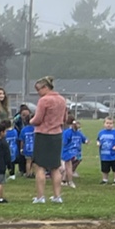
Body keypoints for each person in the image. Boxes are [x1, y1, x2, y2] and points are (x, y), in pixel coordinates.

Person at [29, 77, 67, 205]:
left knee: (40, 166)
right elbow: (65, 117)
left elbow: (38, 119)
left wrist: (30, 121)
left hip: (43, 135)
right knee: (55, 167)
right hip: (57, 135)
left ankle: (40, 197)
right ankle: (57, 196)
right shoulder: (62, 99)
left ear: (45, 87)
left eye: (38, 89)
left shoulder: (44, 100)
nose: (38, 92)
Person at [97, 119, 115, 184]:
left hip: (114, 155)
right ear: (104, 124)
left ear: (113, 124)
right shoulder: (101, 132)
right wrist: (98, 143)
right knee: (105, 169)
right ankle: (105, 180)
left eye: (110, 123)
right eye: (107, 123)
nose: (109, 125)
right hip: (104, 155)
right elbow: (98, 140)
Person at [60, 115, 86, 188]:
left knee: (67, 167)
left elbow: (83, 138)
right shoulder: (68, 132)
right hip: (69, 151)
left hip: (71, 151)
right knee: (67, 167)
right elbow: (64, 142)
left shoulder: (75, 133)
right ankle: (67, 181)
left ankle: (67, 180)